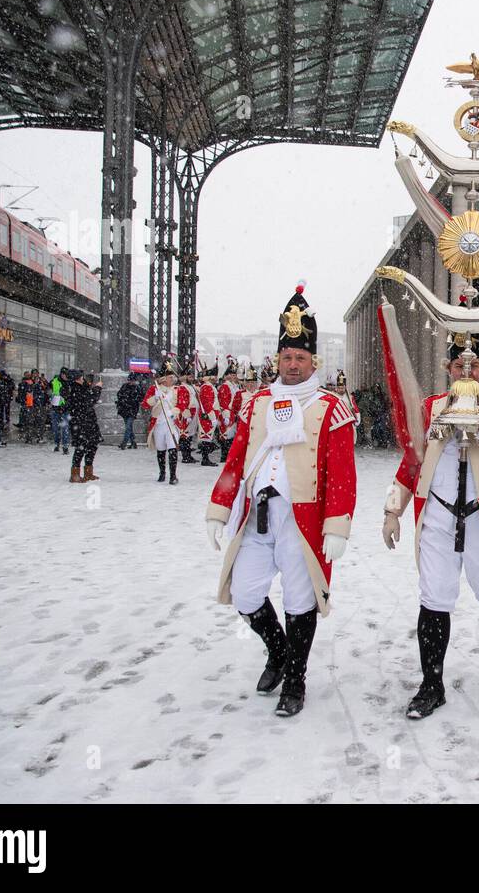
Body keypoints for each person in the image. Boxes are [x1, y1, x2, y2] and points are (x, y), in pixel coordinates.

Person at [206, 284, 357, 718]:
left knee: (299, 601)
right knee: (246, 594)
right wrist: (220, 508)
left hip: (302, 521)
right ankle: (279, 651)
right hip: (256, 518)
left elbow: (343, 475)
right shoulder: (256, 404)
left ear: (314, 362)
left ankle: (296, 679)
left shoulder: (332, 408)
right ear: (278, 360)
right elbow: (236, 461)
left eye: (301, 358)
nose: (293, 365)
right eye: (287, 357)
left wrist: (337, 525)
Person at [383, 329, 479, 720]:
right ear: (448, 369)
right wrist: (392, 510)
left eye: (475, 363)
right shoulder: (431, 407)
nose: (467, 369)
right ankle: (432, 684)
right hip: (438, 515)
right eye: (458, 364)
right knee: (434, 599)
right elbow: (412, 462)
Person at [141, 357, 191, 484]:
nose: (172, 379)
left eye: (172, 377)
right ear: (163, 379)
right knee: (161, 449)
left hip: (172, 423)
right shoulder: (155, 389)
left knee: (173, 448)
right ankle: (162, 473)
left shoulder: (178, 390)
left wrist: (174, 412)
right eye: (170, 377)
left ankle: (173, 476)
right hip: (159, 424)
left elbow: (183, 404)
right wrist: (155, 398)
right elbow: (145, 404)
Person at [66, 370, 103, 483]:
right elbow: (90, 400)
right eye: (82, 377)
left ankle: (88, 472)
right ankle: (75, 474)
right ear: (77, 378)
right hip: (81, 423)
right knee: (81, 447)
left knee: (92, 445)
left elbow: (89, 397)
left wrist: (92, 387)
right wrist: (97, 388)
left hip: (88, 422)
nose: (83, 379)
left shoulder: (81, 387)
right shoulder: (75, 389)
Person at [116, 376, 143, 450]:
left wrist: (133, 400)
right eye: (130, 380)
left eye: (132, 380)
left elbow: (140, 398)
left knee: (128, 427)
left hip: (132, 410)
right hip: (124, 410)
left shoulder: (137, 388)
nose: (131, 382)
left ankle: (124, 443)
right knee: (129, 427)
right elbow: (119, 395)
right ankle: (133, 442)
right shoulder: (124, 387)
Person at [49, 368, 70, 454]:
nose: (65, 376)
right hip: (56, 408)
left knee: (65, 428)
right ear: (61, 374)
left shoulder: (70, 382)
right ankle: (57, 444)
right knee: (56, 429)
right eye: (64, 374)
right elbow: (48, 391)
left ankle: (65, 446)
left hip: (65, 408)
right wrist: (50, 399)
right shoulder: (54, 381)